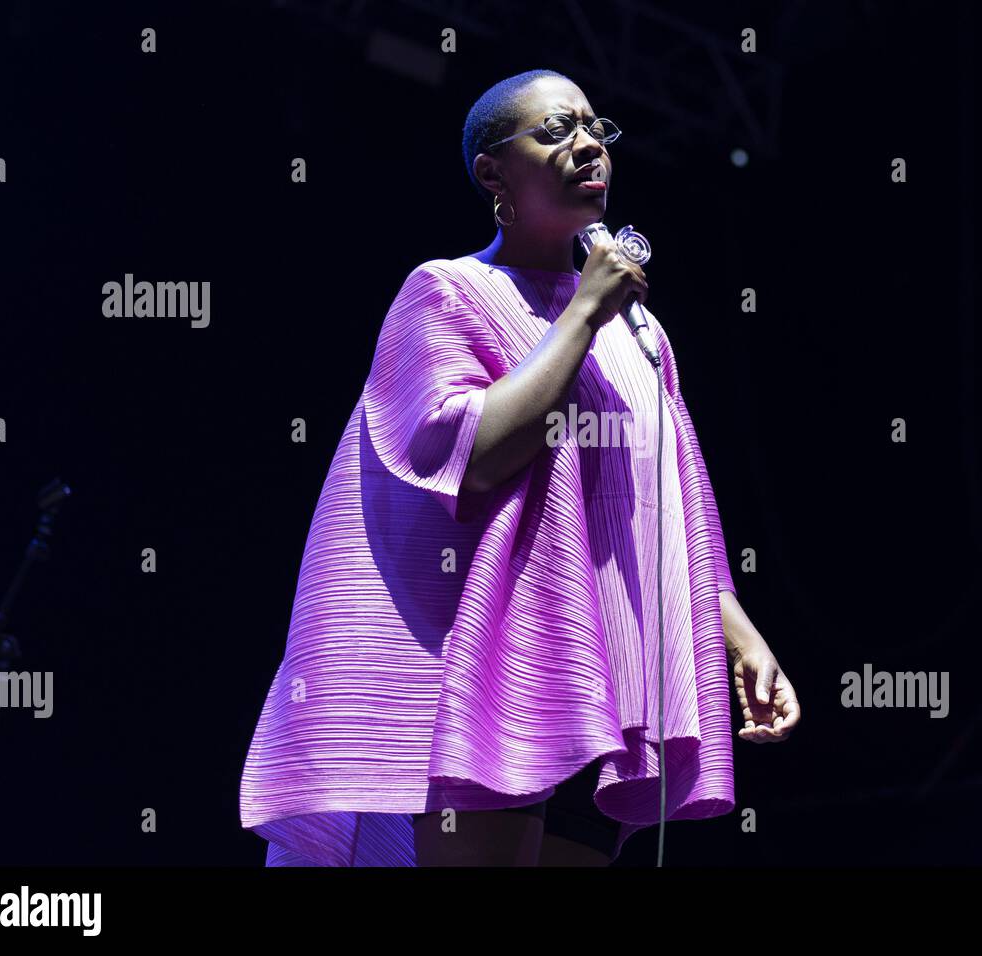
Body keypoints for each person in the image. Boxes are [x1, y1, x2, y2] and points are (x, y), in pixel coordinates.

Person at [239, 69, 800, 867]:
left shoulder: (643, 332)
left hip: (613, 676)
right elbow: (471, 454)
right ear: (493, 174)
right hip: (505, 673)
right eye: (555, 130)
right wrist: (581, 312)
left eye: (594, 129)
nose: (586, 146)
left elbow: (673, 505)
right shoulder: (449, 290)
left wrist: (741, 640)